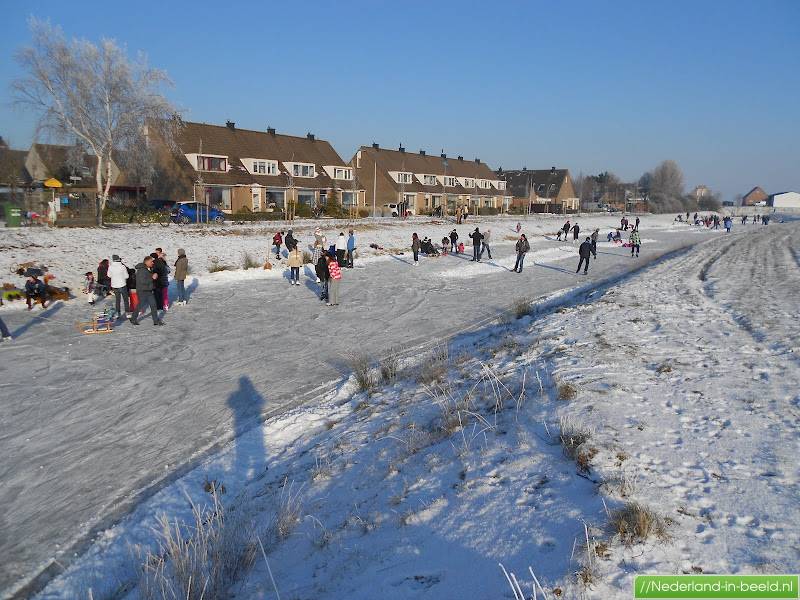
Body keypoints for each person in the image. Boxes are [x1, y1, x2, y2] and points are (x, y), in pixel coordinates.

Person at [130, 256, 163, 326]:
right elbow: (142, 281)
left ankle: (156, 321)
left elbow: (147, 277)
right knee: (140, 305)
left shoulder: (147, 269)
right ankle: (133, 318)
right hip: (142, 291)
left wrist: (153, 275)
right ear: (147, 261)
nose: (153, 263)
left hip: (148, 290)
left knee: (153, 305)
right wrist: (152, 277)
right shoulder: (142, 270)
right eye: (151, 261)